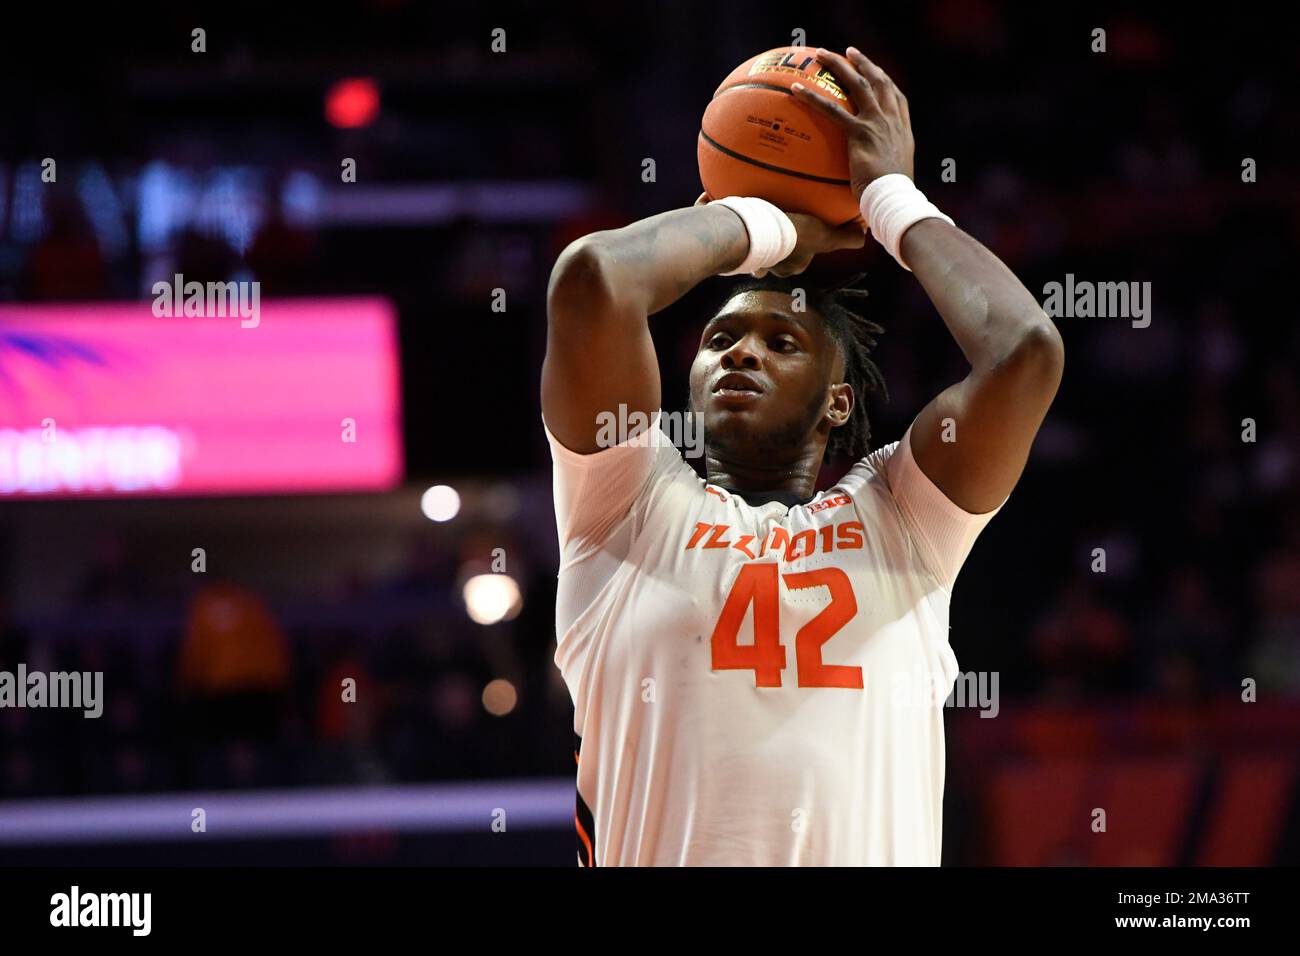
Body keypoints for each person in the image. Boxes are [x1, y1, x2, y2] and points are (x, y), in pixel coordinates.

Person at [541, 47, 1064, 865]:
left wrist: (891, 200)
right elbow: (594, 279)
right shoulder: (623, 507)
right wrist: (770, 225)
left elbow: (1024, 352)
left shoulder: (901, 517)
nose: (739, 355)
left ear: (838, 402)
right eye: (720, 339)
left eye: (780, 341)